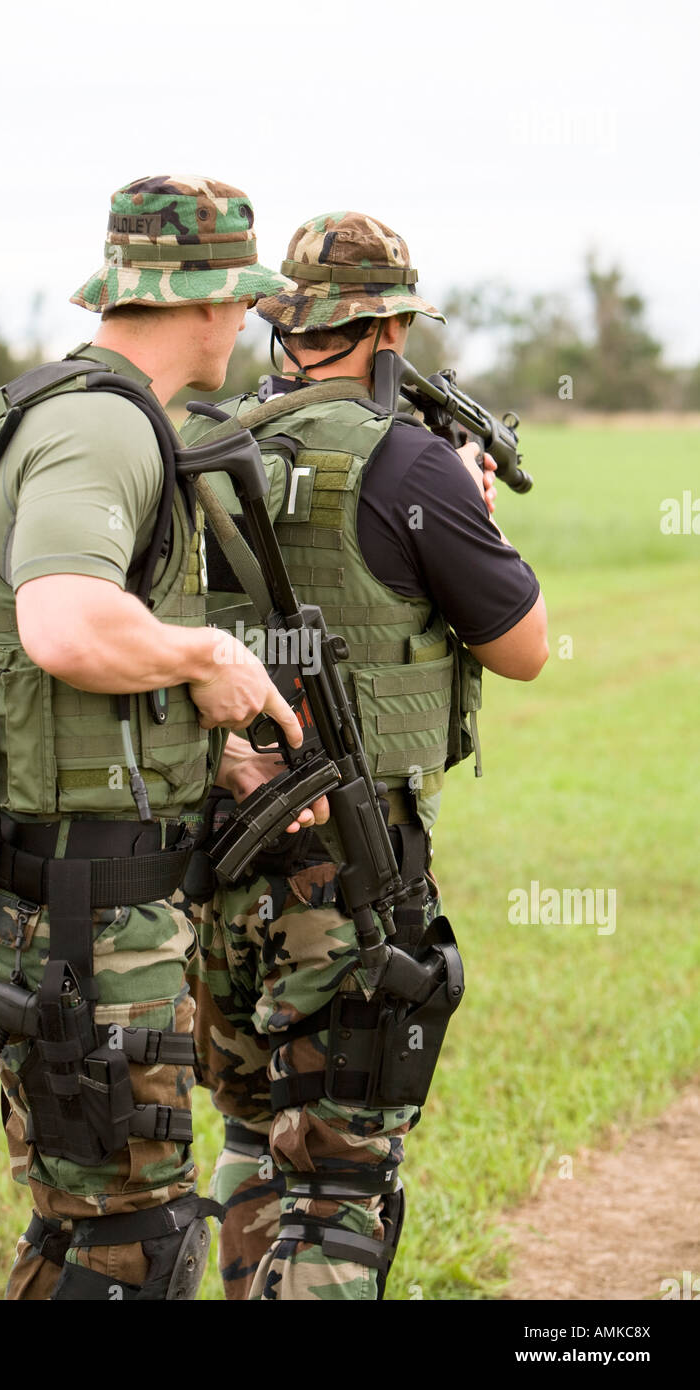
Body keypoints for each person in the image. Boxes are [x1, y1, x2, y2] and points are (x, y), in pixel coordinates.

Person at [0, 174, 310, 1302]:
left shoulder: (60, 407)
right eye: (239, 302)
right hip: (83, 905)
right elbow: (62, 622)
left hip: (64, 880)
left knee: (91, 1224)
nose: (243, 325)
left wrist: (214, 752)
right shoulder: (100, 423)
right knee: (132, 1242)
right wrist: (209, 657)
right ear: (203, 302)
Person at [179, 210, 549, 1300]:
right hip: (344, 859)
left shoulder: (210, 443)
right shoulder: (410, 464)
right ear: (389, 331)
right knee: (340, 1177)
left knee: (252, 1129)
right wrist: (466, 510)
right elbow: (521, 647)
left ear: (285, 325)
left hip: (213, 847)